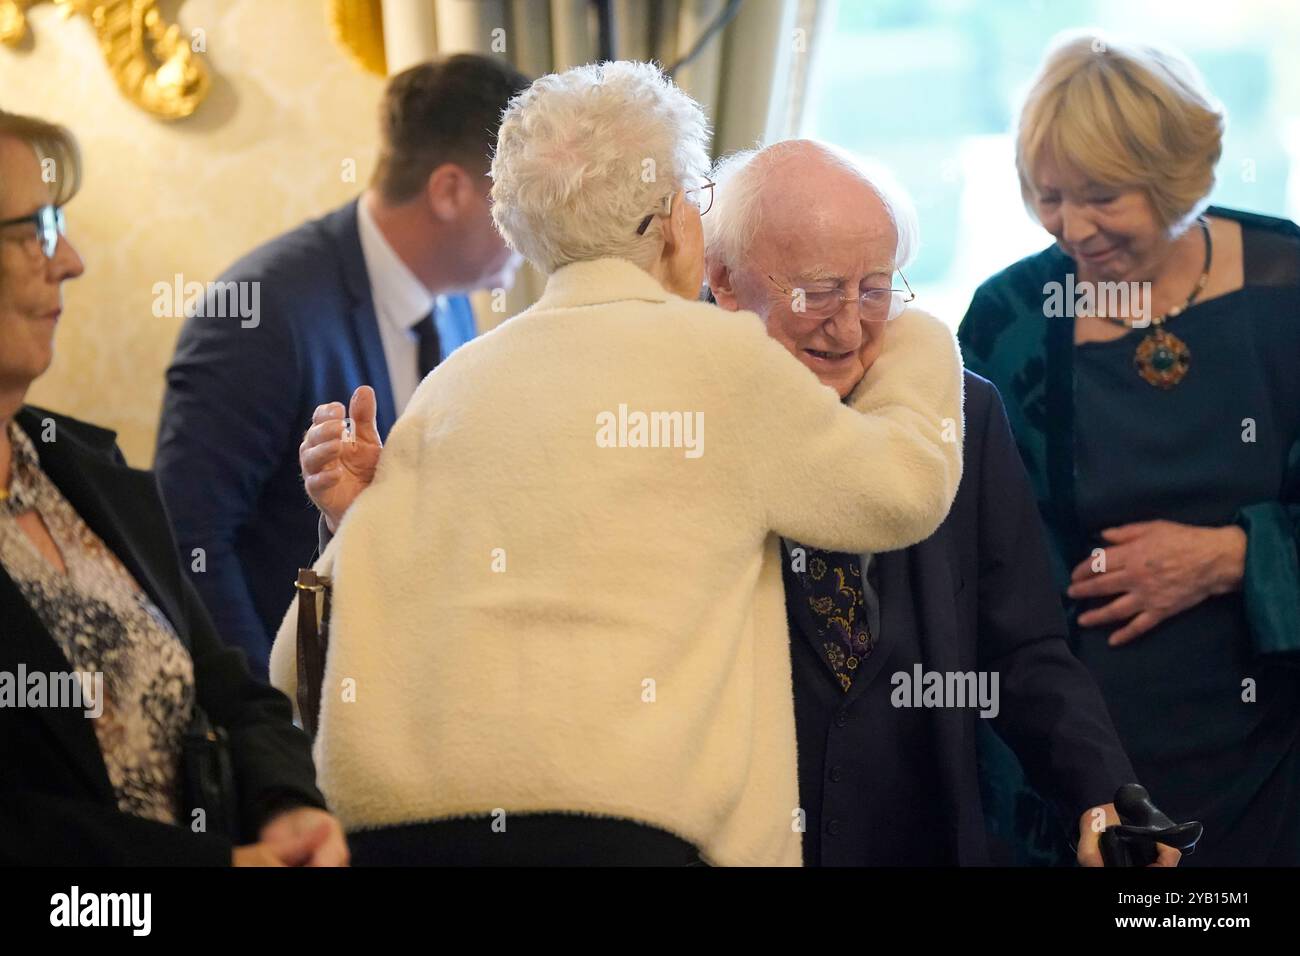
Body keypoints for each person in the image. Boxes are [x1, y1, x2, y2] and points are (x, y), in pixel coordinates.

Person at [275, 61, 963, 866]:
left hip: (406, 836)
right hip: (619, 832)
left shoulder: (457, 379)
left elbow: (299, 656)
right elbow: (901, 489)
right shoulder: (717, 361)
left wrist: (351, 519)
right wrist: (918, 336)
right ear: (673, 220)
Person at [702, 138, 1174, 866]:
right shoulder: (676, 417)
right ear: (724, 280)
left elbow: (1022, 651)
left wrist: (1102, 792)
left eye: (875, 288)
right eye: (820, 290)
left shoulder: (958, 415)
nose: (851, 325)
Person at [958, 32, 1300, 866]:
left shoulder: (1287, 283)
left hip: (1276, 754)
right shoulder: (1006, 321)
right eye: (1049, 197)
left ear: (1176, 177)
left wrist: (1236, 556)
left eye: (1103, 196)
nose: (1073, 229)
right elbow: (985, 576)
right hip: (1084, 773)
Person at [0, 109, 346, 866]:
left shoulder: (84, 468)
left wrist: (288, 805)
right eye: (39, 228)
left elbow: (229, 688)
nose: (72, 261)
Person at [155, 54, 530, 680]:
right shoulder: (259, 313)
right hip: (303, 705)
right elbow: (187, 537)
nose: (529, 224)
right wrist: (268, 722)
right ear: (448, 191)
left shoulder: (455, 300)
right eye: (515, 198)